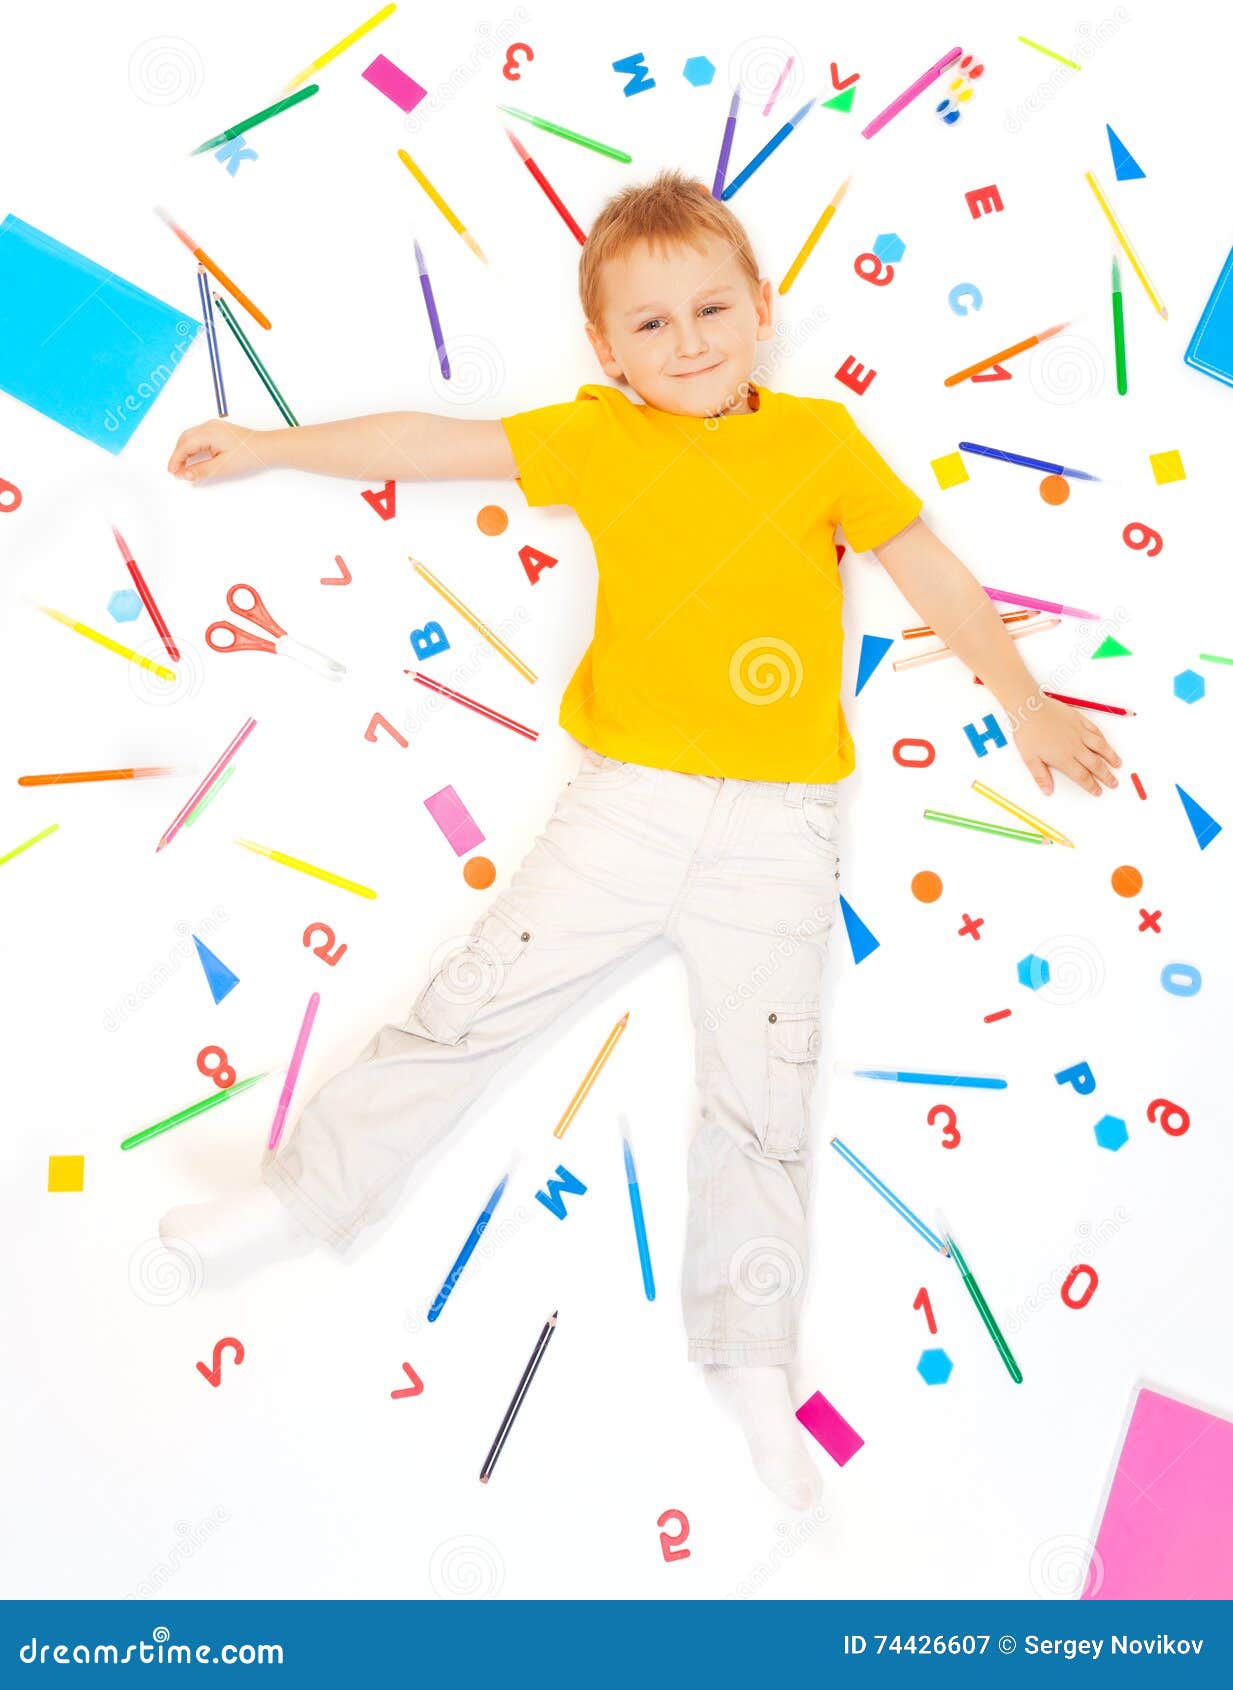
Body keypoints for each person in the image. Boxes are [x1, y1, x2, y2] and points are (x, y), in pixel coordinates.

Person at [162, 168, 1120, 1509]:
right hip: (623, 810)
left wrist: (1023, 700)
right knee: (467, 1009)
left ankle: (750, 1363)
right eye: (651, 325)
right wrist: (272, 445)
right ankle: (300, 1202)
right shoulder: (598, 435)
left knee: (760, 1099)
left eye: (710, 307)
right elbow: (429, 443)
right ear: (608, 350)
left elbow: (926, 570)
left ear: (759, 309)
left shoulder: (817, 439)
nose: (688, 340)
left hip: (780, 832)